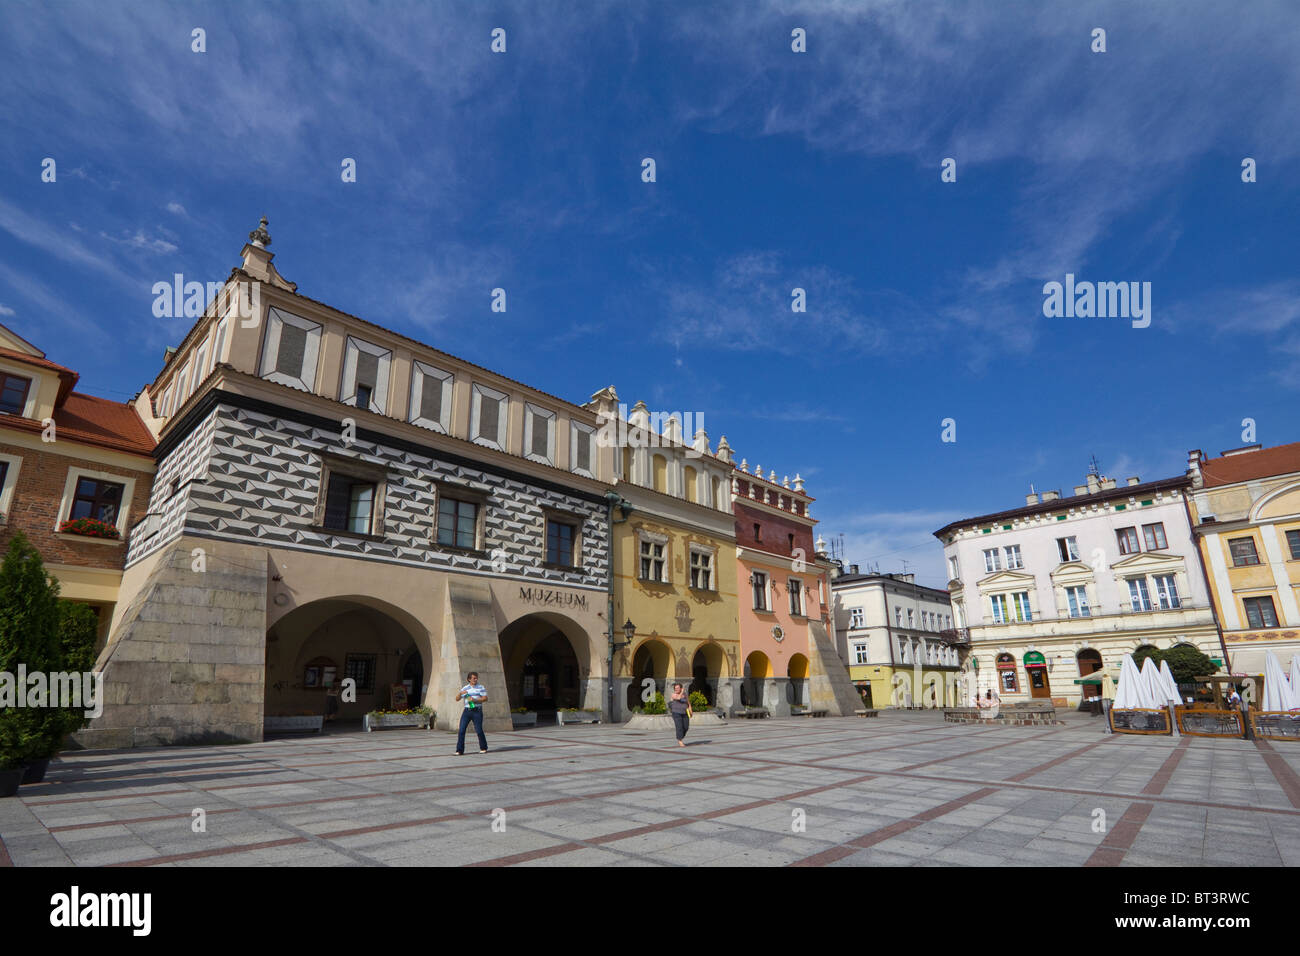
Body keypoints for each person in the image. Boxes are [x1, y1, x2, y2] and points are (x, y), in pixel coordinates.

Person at [454, 672, 489, 755]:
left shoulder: (481, 687)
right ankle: (459, 750)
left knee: (479, 730)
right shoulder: (465, 688)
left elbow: (485, 698)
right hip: (467, 711)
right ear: (469, 679)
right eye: (474, 678)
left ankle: (483, 747)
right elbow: (457, 699)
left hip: (477, 711)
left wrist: (475, 700)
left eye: (476, 678)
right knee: (461, 730)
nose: (475, 680)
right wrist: (460, 694)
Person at [667, 682, 692, 747]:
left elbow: (688, 703)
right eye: (675, 688)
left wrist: (690, 710)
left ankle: (680, 736)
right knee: (679, 727)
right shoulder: (673, 695)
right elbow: (678, 698)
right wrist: (681, 692)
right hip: (676, 713)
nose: (676, 689)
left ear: (681, 688)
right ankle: (680, 740)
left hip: (685, 713)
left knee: (686, 727)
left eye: (678, 688)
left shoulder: (685, 695)